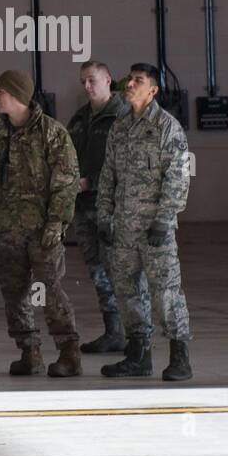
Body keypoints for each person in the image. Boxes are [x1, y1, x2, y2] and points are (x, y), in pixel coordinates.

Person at [0, 70, 81, 376]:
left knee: (49, 289)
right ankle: (29, 351)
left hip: (41, 230)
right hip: (6, 230)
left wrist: (56, 224)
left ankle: (69, 352)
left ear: (17, 94)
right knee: (13, 291)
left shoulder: (51, 133)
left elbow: (66, 182)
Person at [97, 64, 193, 381]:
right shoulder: (119, 127)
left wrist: (164, 220)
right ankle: (138, 357)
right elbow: (107, 176)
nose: (131, 83)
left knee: (166, 293)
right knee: (127, 294)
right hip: (123, 228)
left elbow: (177, 179)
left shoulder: (167, 127)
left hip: (155, 230)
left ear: (152, 90)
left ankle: (180, 358)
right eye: (130, 78)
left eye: (139, 80)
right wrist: (104, 216)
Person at [66, 62, 147, 353]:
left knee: (124, 273)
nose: (87, 86)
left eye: (92, 80)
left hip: (115, 208)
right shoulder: (78, 119)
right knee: (98, 272)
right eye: (83, 82)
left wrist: (92, 182)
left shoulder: (124, 114)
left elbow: (131, 164)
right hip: (84, 207)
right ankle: (113, 332)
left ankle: (139, 338)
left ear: (108, 80)